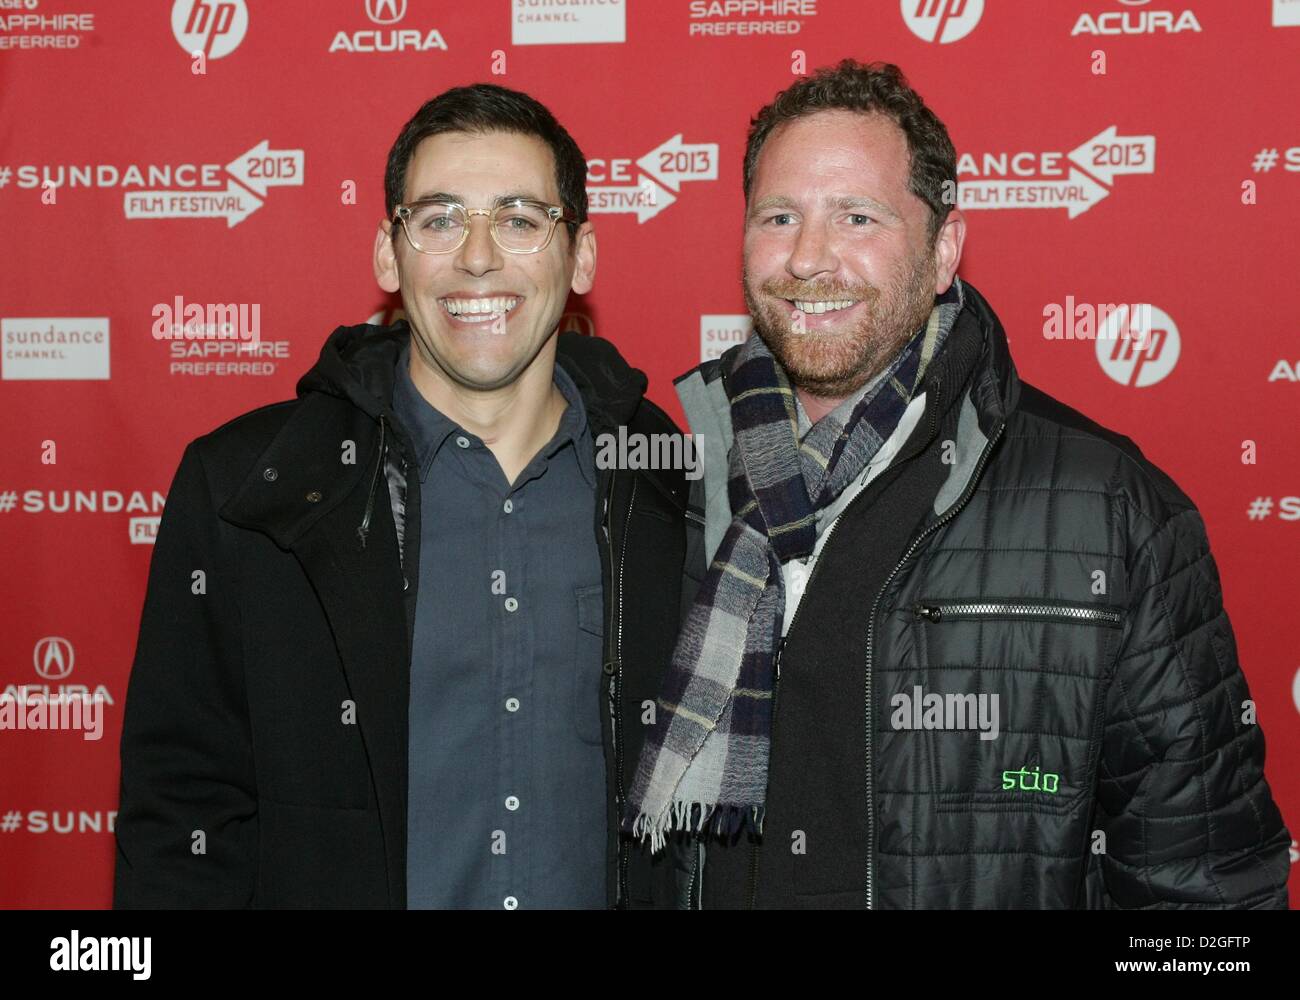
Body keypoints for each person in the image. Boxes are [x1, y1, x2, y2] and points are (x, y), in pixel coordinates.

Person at [625, 59, 1292, 909]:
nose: (806, 257)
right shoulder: (674, 487)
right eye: (778, 216)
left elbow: (1206, 894)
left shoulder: (1110, 509)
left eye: (857, 216)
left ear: (943, 250)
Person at [114, 83, 696, 909]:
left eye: (522, 219)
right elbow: (181, 817)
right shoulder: (249, 490)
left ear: (583, 256)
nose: (479, 256)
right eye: (440, 218)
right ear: (389, 253)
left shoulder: (669, 485)